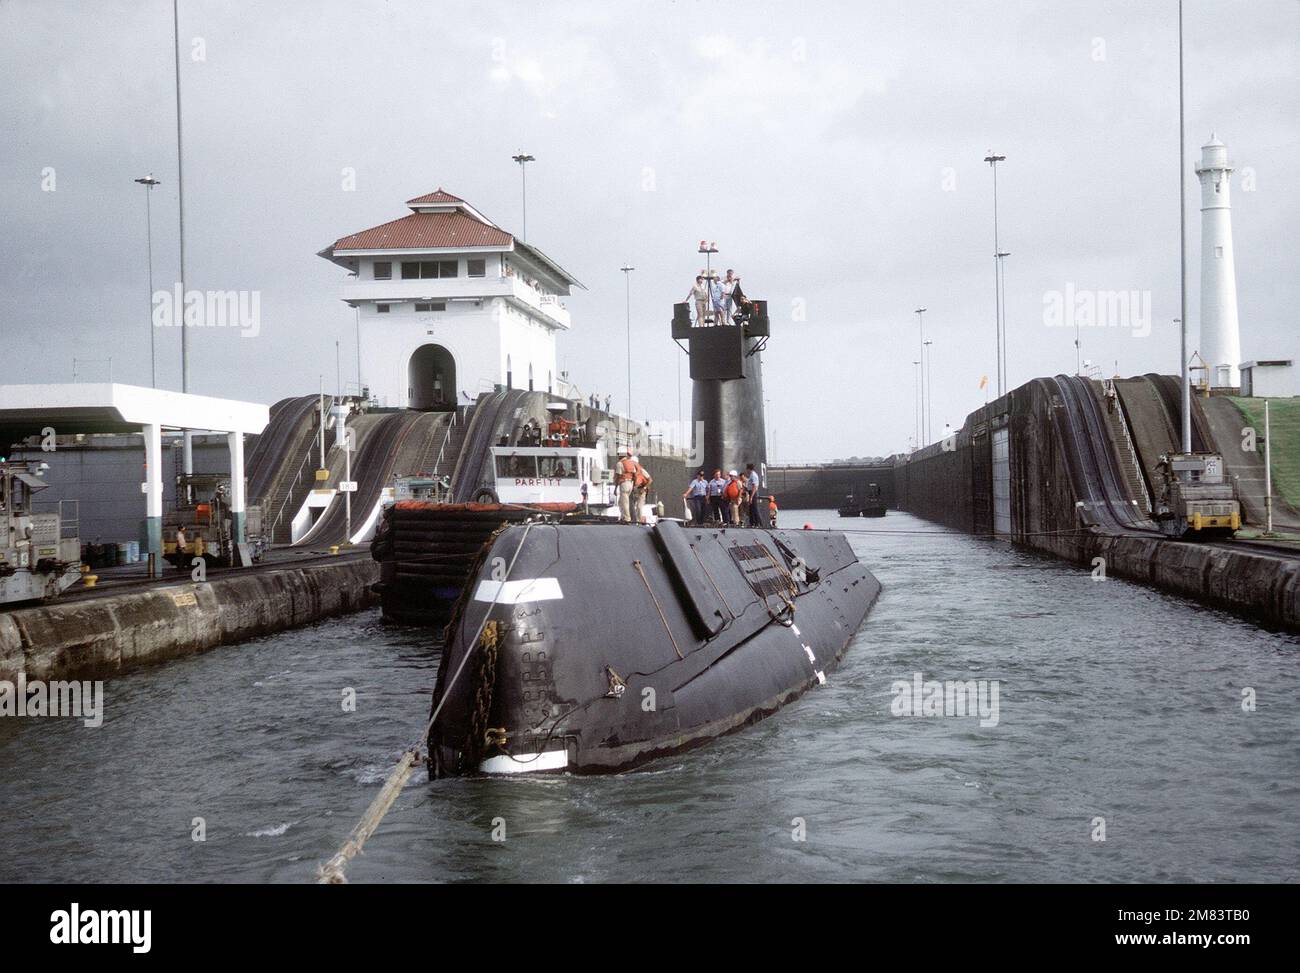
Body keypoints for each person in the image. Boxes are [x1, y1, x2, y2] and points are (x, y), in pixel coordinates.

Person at [615, 448, 639, 523]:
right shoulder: (631, 463)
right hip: (630, 484)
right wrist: (634, 485)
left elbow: (618, 477)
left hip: (624, 484)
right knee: (621, 502)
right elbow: (635, 475)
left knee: (624, 502)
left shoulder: (619, 463)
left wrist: (615, 488)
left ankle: (627, 519)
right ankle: (623, 516)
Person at [631, 455, 653, 524]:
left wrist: (644, 488)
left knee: (639, 507)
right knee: (630, 506)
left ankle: (639, 522)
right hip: (633, 490)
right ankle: (632, 521)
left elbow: (650, 480)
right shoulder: (630, 471)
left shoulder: (642, 471)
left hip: (641, 491)